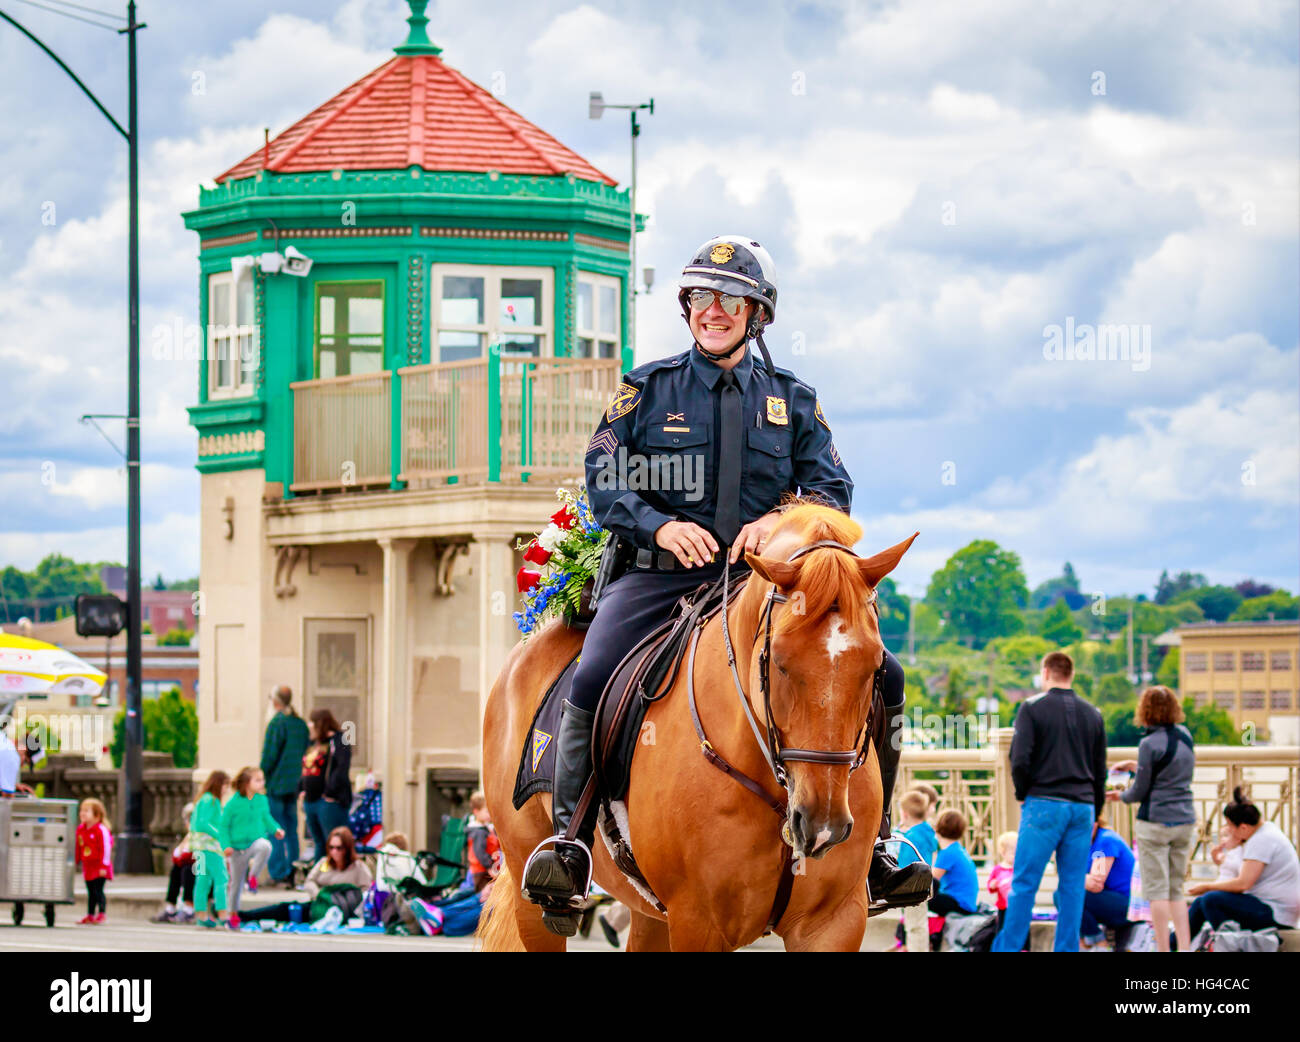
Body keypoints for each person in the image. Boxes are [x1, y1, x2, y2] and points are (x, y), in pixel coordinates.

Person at [522, 234, 928, 932]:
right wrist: (657, 525)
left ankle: (881, 841)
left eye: (731, 299)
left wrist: (779, 521)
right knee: (589, 678)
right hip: (659, 579)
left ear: (757, 314)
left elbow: (833, 488)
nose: (715, 310)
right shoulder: (646, 390)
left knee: (884, 674)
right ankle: (569, 843)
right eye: (703, 298)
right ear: (688, 308)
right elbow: (604, 473)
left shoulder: (793, 400)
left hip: (764, 582)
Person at [992, 650, 1107, 953]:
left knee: (1024, 885)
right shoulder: (1093, 714)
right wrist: (1096, 810)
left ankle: (1008, 949)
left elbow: (1019, 759)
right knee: (1072, 889)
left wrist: (1022, 793)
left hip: (1044, 803)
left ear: (1045, 673)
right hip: (1083, 807)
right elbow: (1100, 769)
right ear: (1071, 674)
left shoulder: (1032, 708)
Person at [1106, 684, 1196, 952]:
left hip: (1155, 821)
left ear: (1145, 710)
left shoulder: (1147, 743)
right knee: (1176, 889)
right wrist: (1137, 766)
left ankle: (1162, 949)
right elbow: (1175, 773)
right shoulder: (1185, 736)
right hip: (1184, 819)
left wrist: (1119, 796)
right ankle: (1184, 946)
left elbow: (1140, 791)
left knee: (1156, 891)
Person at [1187, 787, 1300, 935]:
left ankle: (1232, 945)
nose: (1229, 830)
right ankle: (1175, 945)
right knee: (1201, 903)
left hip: (1275, 913)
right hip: (1265, 905)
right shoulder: (1265, 830)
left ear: (1244, 827)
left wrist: (1208, 886)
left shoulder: (1261, 840)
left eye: (1230, 826)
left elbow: (1243, 883)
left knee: (1210, 900)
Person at [241, 826, 373, 927]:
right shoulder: (324, 863)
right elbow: (310, 881)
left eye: (339, 848)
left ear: (348, 848)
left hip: (340, 909)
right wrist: (319, 894)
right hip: (318, 904)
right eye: (331, 847)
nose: (335, 852)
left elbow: (366, 892)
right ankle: (244, 916)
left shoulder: (358, 867)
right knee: (285, 908)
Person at [1055, 817, 1135, 950]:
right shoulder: (1086, 845)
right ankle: (1085, 940)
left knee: (1065, 895)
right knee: (1061, 895)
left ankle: (1098, 942)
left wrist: (1071, 876)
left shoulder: (1105, 841)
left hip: (1127, 905)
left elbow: (1095, 883)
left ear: (1095, 824)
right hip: (1107, 901)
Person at [260, 685, 310, 884]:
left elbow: (269, 757)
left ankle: (278, 872)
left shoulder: (277, 724)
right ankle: (293, 869)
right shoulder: (300, 724)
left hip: (277, 785)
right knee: (292, 829)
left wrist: (261, 777)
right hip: (295, 785)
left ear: (276, 701)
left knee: (276, 829)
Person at [221, 766, 284, 921]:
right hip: (236, 849)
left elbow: (267, 818)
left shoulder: (262, 800)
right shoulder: (233, 803)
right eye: (258, 780)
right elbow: (224, 826)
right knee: (235, 885)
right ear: (247, 783)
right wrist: (226, 845)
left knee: (265, 846)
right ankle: (233, 914)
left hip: (254, 842)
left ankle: (253, 877)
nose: (262, 783)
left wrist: (276, 829)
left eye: (262, 780)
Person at [301, 708, 351, 861]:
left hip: (329, 801)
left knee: (334, 843)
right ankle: (321, 876)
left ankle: (337, 876)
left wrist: (329, 792)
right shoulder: (312, 743)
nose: (310, 726)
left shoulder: (339, 740)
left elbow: (341, 768)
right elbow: (305, 767)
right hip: (311, 799)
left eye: (312, 722)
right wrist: (301, 789)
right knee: (319, 842)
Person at [187, 770, 232, 929]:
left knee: (202, 880)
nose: (226, 789)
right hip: (210, 846)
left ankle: (201, 915)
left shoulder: (202, 799)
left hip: (198, 846)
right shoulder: (211, 800)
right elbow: (203, 823)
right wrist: (220, 835)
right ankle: (222, 914)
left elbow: (196, 823)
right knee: (221, 878)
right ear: (218, 784)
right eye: (225, 785)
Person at [152, 800, 197, 924]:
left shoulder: (202, 835)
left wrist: (182, 857)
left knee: (188, 869)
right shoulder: (189, 836)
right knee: (176, 870)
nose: (189, 823)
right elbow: (177, 854)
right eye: (188, 820)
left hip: (204, 869)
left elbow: (192, 855)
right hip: (192, 866)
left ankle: (189, 909)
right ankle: (170, 908)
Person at [74, 798, 113, 924]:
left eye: (86, 811)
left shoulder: (100, 829)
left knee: (98, 890)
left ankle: (101, 912)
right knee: (90, 891)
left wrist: (104, 865)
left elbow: (106, 847)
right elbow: (78, 846)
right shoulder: (81, 829)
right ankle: (90, 914)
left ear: (97, 815)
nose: (82, 813)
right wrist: (76, 860)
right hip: (88, 865)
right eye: (81, 811)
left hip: (99, 865)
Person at [465, 791, 501, 892]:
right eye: (487, 811)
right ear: (476, 812)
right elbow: (479, 852)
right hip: (482, 871)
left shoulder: (485, 828)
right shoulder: (478, 832)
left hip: (485, 869)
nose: (490, 814)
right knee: (482, 897)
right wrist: (490, 868)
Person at [988, 831, 1016, 930]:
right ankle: (1001, 944)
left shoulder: (1019, 868)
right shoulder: (998, 869)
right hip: (1003, 906)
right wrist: (993, 885)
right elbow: (990, 887)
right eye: (1013, 853)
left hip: (1016, 906)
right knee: (1001, 928)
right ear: (1003, 853)